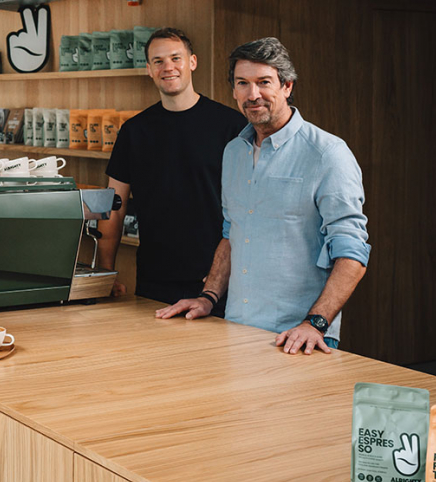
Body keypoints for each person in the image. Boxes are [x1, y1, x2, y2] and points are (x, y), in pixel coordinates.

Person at [157, 37, 370, 355]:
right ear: (233, 90)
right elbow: (232, 233)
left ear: (287, 86)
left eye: (263, 82)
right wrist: (209, 296)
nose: (252, 94)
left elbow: (352, 253)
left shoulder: (327, 153)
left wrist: (316, 324)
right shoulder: (233, 152)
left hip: (299, 337)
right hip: (236, 327)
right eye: (243, 83)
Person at [98, 27, 247, 309]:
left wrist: (223, 275)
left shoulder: (231, 126)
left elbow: (249, 209)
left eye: (176, 58)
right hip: (155, 279)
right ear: (149, 69)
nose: (168, 67)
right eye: (158, 61)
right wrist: (106, 271)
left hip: (215, 281)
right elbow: (114, 206)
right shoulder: (134, 131)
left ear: (192, 62)